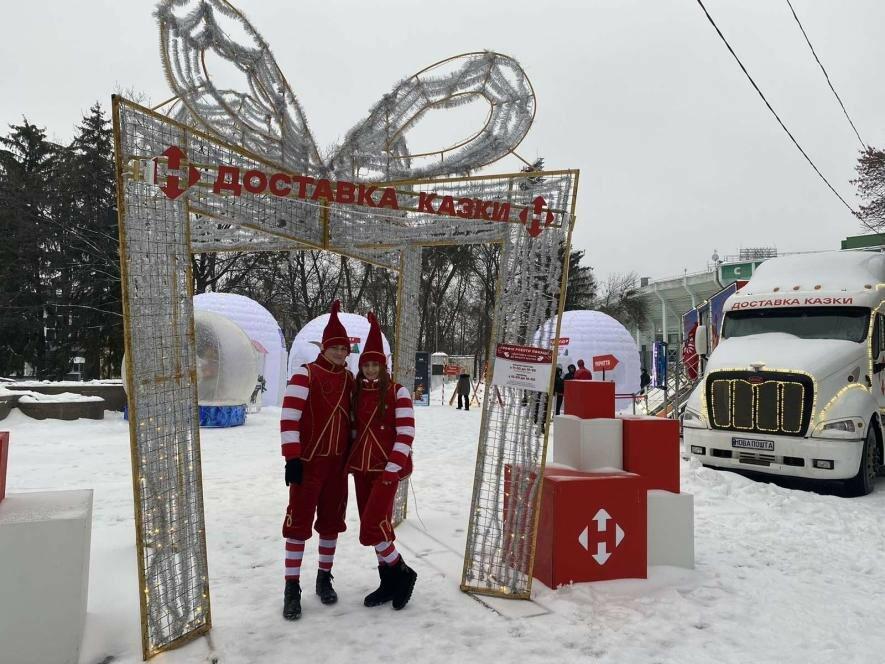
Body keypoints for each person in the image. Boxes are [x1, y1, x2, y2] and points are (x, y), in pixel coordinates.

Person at [280, 300, 355, 621]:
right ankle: (291, 586)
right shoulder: (304, 375)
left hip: (337, 466)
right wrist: (291, 457)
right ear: (324, 347)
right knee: (297, 525)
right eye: (335, 347)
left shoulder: (351, 379)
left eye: (344, 348)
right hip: (308, 464)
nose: (341, 352)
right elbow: (288, 418)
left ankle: (324, 577)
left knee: (330, 524)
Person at [349, 312, 418, 610]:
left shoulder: (397, 392)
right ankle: (388, 581)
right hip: (361, 470)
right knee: (378, 525)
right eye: (366, 363)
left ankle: (403, 572)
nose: (371, 368)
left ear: (384, 364)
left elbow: (406, 433)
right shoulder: (356, 392)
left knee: (371, 528)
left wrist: (392, 470)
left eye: (375, 363)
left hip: (385, 471)